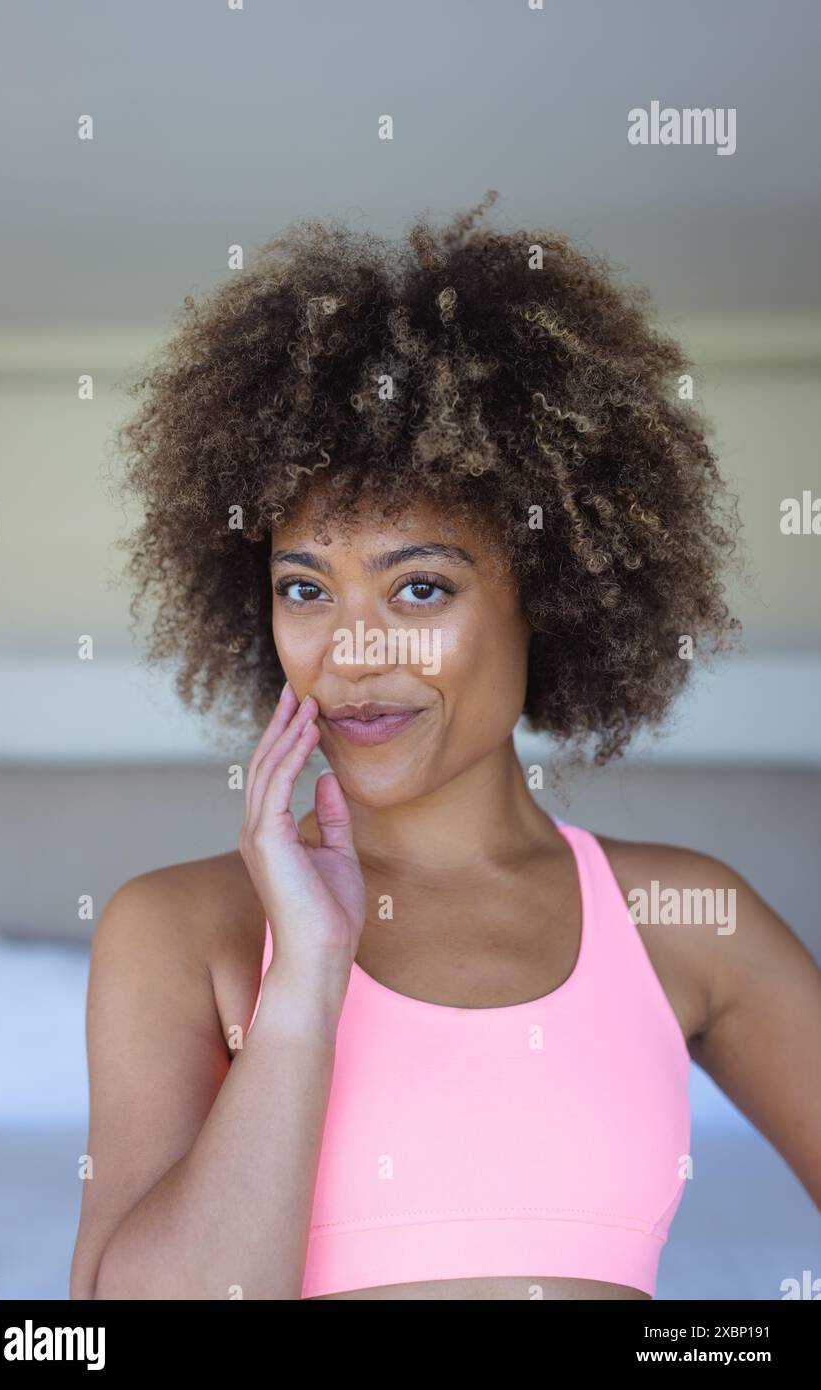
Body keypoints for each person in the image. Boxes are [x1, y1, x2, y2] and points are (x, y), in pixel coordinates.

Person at [70, 196, 821, 1301]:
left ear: (550, 594)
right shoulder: (182, 933)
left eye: (421, 587)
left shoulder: (690, 922)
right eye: (304, 589)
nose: (353, 649)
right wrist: (307, 983)